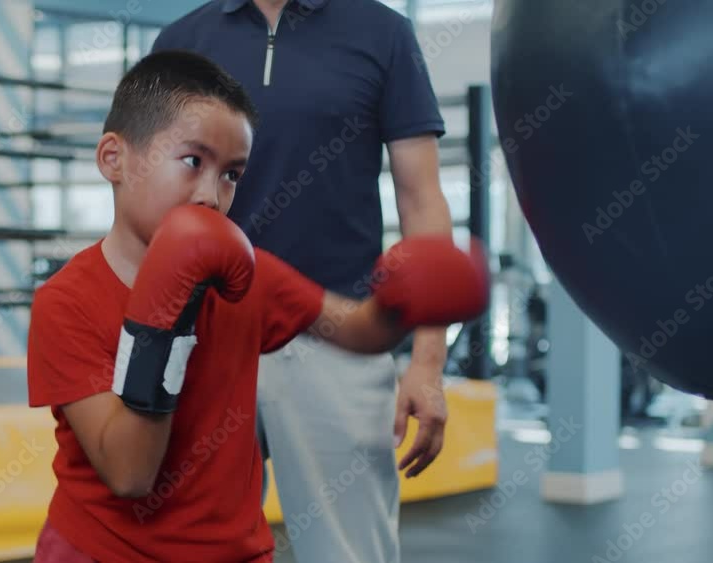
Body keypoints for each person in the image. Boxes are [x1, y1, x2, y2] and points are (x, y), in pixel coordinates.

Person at [26, 51, 485, 562]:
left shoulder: (246, 273)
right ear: (114, 158)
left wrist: (404, 302)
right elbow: (130, 473)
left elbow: (357, 330)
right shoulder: (65, 303)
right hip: (102, 551)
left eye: (232, 175)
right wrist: (164, 314)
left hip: (232, 550)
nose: (211, 195)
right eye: (193, 161)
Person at [151, 2, 452, 561]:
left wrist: (428, 363)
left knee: (348, 552)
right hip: (204, 337)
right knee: (193, 549)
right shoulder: (181, 40)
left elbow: (423, 202)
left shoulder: (383, 33)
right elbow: (151, 195)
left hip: (339, 333)